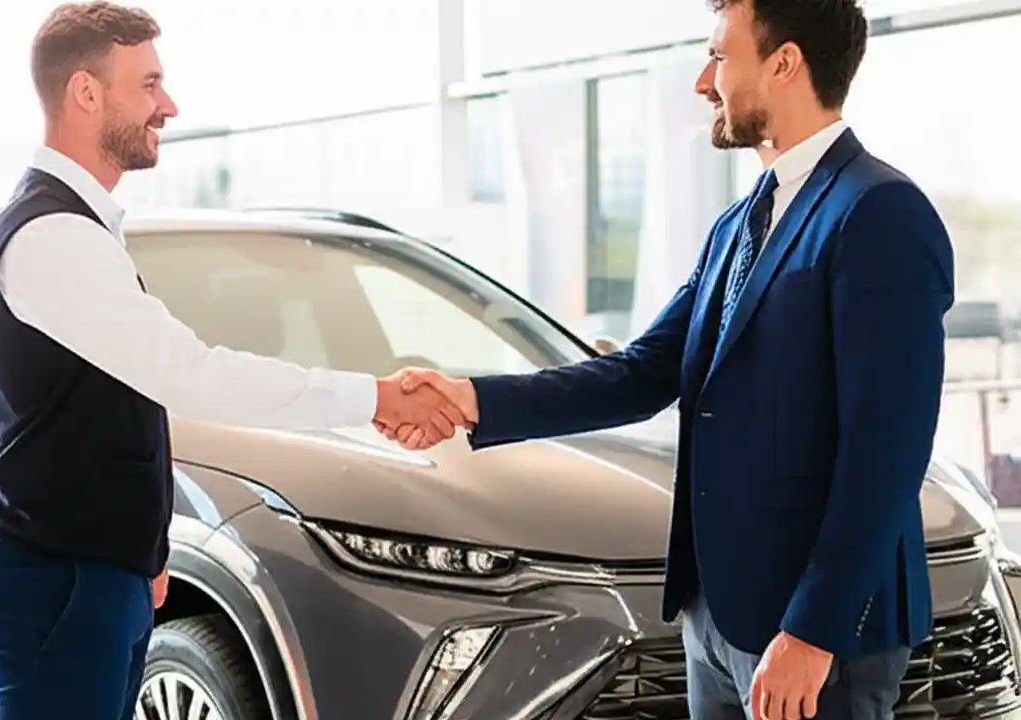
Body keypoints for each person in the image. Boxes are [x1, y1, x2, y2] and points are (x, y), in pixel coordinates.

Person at [392, 1, 955, 718]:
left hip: (814, 630)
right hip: (715, 616)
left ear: (784, 63)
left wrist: (813, 631)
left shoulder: (879, 213)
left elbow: (887, 450)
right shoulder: (739, 222)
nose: (702, 80)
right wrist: (469, 398)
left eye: (720, 56)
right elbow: (643, 372)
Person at [0, 3, 463, 718]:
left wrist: (145, 545)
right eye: (150, 84)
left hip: (94, 574)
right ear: (86, 94)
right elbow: (188, 374)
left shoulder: (77, 228)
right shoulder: (52, 238)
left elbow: (113, 405)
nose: (169, 105)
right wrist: (375, 398)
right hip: (62, 580)